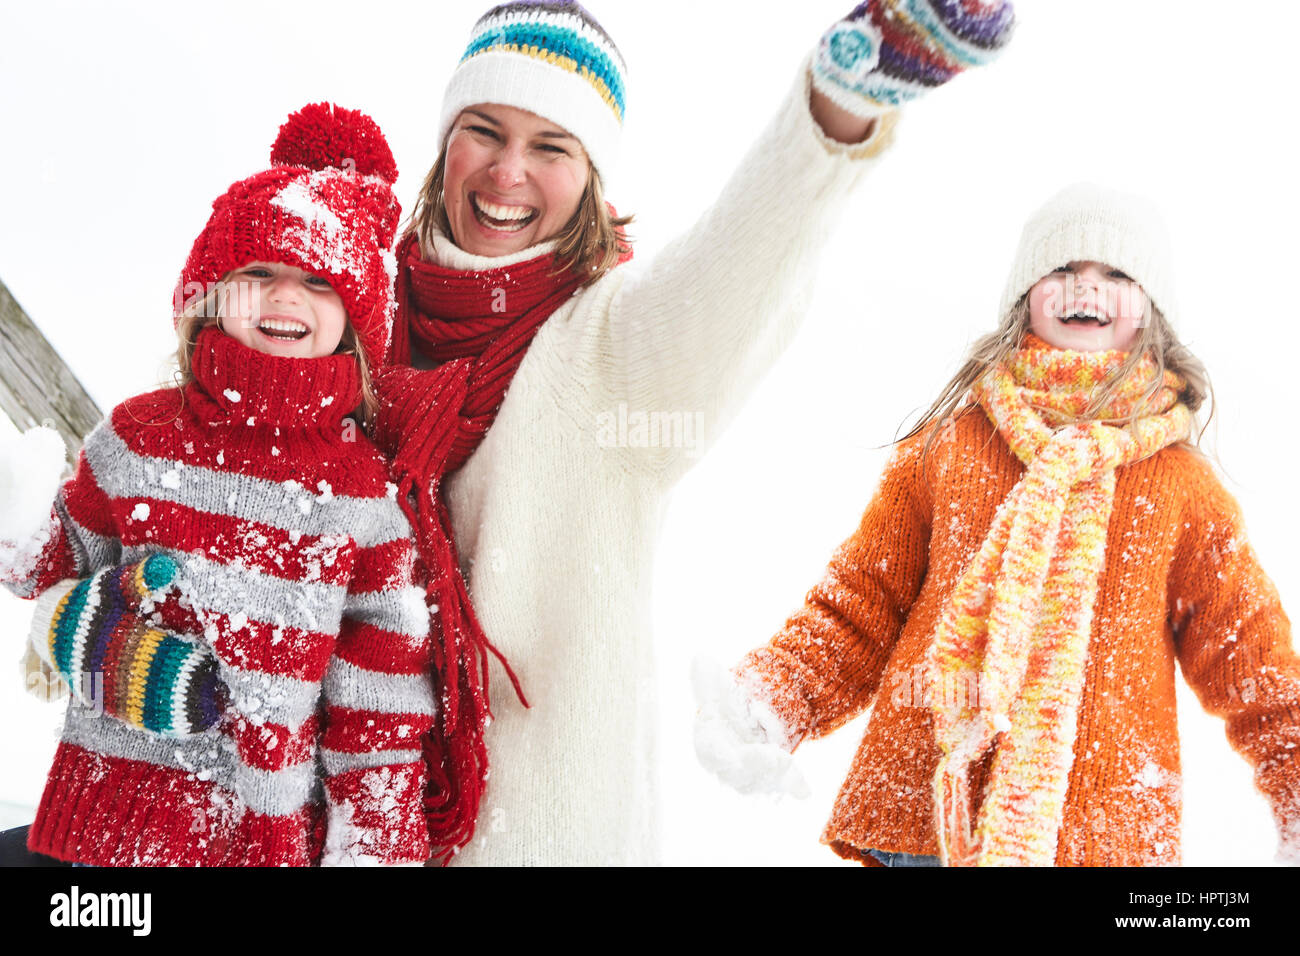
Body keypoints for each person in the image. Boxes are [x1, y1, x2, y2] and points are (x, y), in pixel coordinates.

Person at [370, 0, 1016, 864]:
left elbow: (742, 260)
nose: (508, 171)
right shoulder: (357, 320)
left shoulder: (612, 353)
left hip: (526, 836)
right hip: (340, 811)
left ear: (592, 177)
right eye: (485, 130)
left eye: (552, 146)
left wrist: (835, 109)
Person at [695, 182, 1300, 867]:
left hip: (1099, 830)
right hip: (929, 817)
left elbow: (1251, 659)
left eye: (1117, 273)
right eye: (1063, 269)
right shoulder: (947, 449)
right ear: (1025, 297)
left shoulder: (1183, 486)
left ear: (1151, 310)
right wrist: (776, 696)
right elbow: (861, 604)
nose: (1087, 287)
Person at [0, 104, 435, 866]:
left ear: (356, 318)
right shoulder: (141, 436)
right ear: (211, 292)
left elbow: (378, 718)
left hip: (247, 846)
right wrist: (17, 513)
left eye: (317, 281)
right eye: (257, 273)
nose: (284, 297)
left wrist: (373, 849)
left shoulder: (363, 500)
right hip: (100, 828)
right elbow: (56, 560)